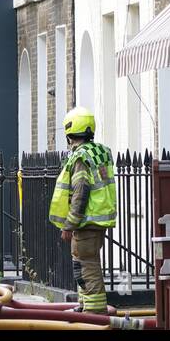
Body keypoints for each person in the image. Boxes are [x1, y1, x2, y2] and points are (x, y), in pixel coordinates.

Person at [48, 107, 117, 314]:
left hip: (85, 223)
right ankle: (84, 307)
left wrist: (69, 225)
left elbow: (80, 193)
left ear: (69, 133)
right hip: (97, 221)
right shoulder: (100, 153)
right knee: (85, 265)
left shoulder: (80, 158)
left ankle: (94, 314)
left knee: (87, 267)